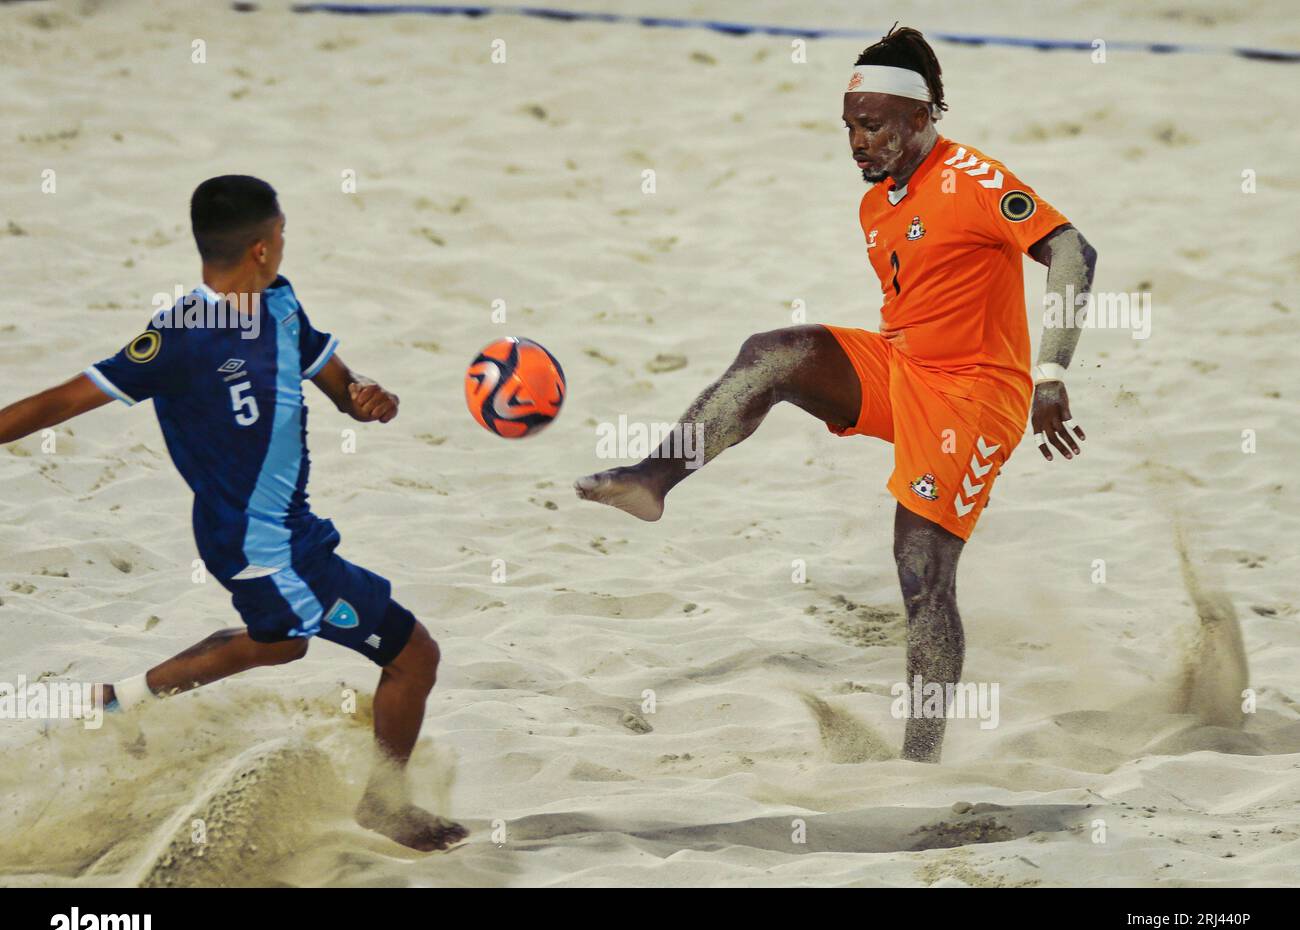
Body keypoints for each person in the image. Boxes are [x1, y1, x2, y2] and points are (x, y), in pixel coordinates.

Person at [575, 27, 1097, 762]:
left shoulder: (974, 179)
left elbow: (1074, 250)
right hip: (901, 367)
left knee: (921, 568)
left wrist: (1052, 371)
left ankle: (920, 761)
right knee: (777, 353)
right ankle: (653, 478)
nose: (857, 140)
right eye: (849, 125)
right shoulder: (880, 200)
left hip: (976, 399)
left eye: (873, 125)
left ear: (922, 119)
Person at [0, 175, 467, 850]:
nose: (284, 242)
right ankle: (385, 805)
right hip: (265, 545)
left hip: (282, 531)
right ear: (259, 247)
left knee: (281, 642)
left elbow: (340, 384)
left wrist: (368, 395)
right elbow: (62, 401)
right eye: (281, 232)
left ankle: (119, 698)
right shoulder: (178, 338)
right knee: (413, 656)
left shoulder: (280, 302)